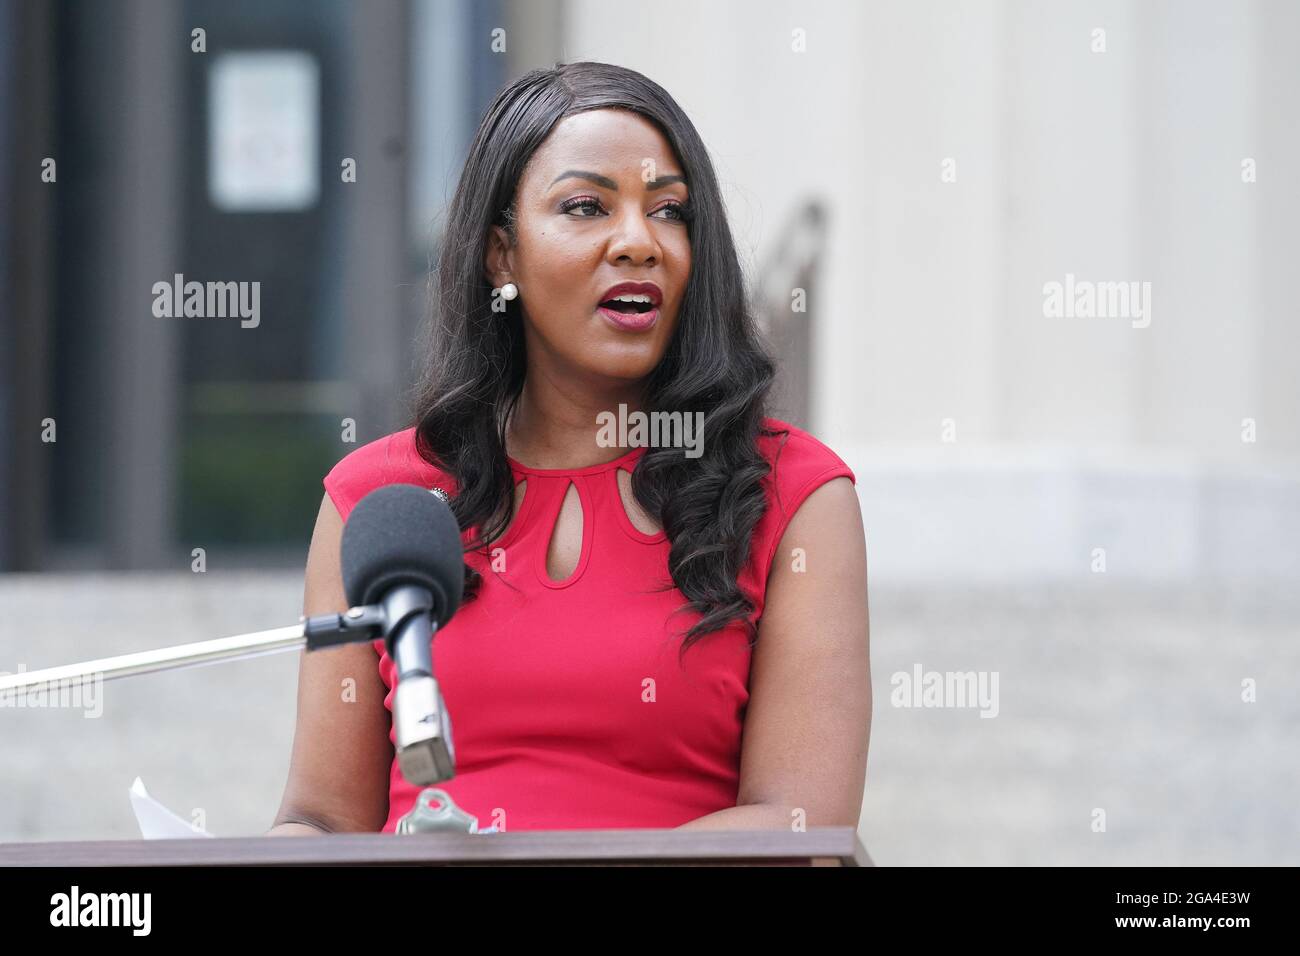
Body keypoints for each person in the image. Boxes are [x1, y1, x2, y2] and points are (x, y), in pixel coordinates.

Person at [268, 61, 870, 835]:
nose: (638, 242)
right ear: (501, 255)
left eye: (670, 211)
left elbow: (802, 825)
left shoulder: (793, 495)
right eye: (586, 206)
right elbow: (321, 818)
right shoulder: (379, 502)